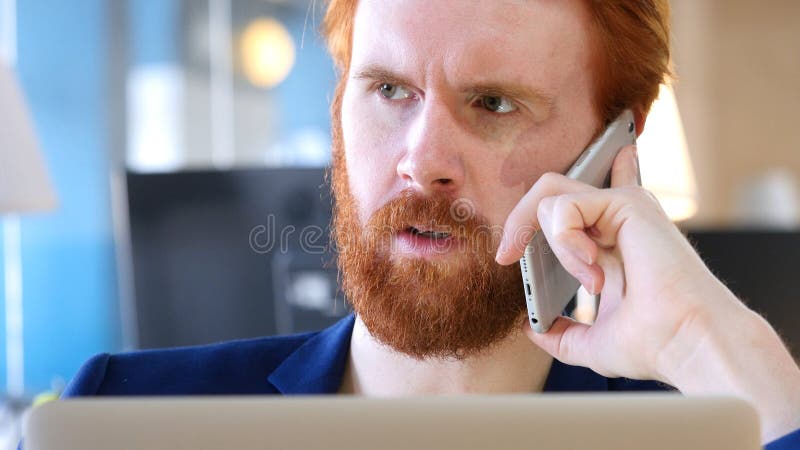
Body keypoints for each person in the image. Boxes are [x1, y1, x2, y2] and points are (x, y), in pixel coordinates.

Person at [62, 0, 800, 447]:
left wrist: (702, 341)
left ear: (613, 150)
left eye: (494, 104)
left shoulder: (712, 439)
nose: (422, 162)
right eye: (388, 89)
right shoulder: (128, 417)